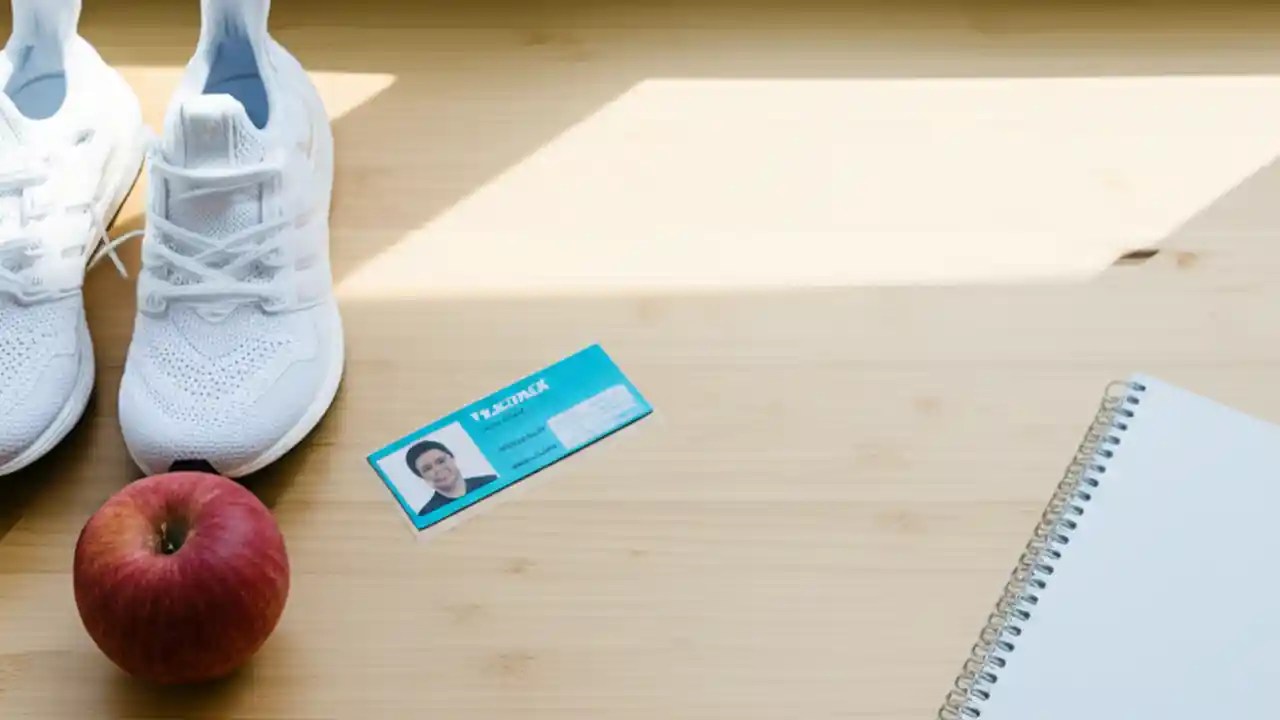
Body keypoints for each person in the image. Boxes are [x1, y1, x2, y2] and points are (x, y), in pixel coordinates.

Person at [405, 440, 498, 516]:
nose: (437, 469)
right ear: (421, 476)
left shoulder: (491, 482)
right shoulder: (428, 514)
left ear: (452, 458)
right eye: (427, 469)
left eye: (441, 461)